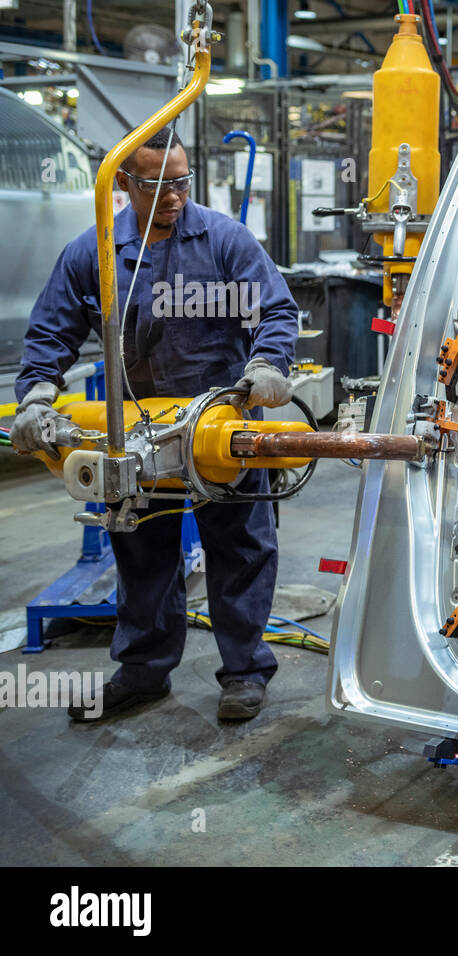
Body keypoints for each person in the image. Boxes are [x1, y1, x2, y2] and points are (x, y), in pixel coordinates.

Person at [10, 127, 300, 719]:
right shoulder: (91, 254)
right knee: (141, 553)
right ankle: (143, 670)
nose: (173, 195)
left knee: (240, 549)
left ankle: (244, 671)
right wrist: (37, 395)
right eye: (157, 184)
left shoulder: (224, 240)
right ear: (122, 183)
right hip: (136, 432)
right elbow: (50, 333)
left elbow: (276, 308)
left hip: (222, 429)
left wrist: (268, 363)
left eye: (181, 180)